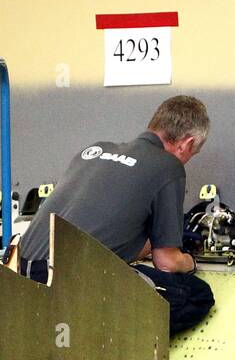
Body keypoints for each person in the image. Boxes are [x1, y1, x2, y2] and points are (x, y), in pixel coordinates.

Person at [16, 95, 215, 335]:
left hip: (20, 274)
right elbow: (167, 263)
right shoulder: (168, 166)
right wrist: (189, 261)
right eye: (192, 153)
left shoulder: (95, 150)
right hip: (68, 284)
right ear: (186, 144)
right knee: (196, 295)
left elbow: (106, 234)